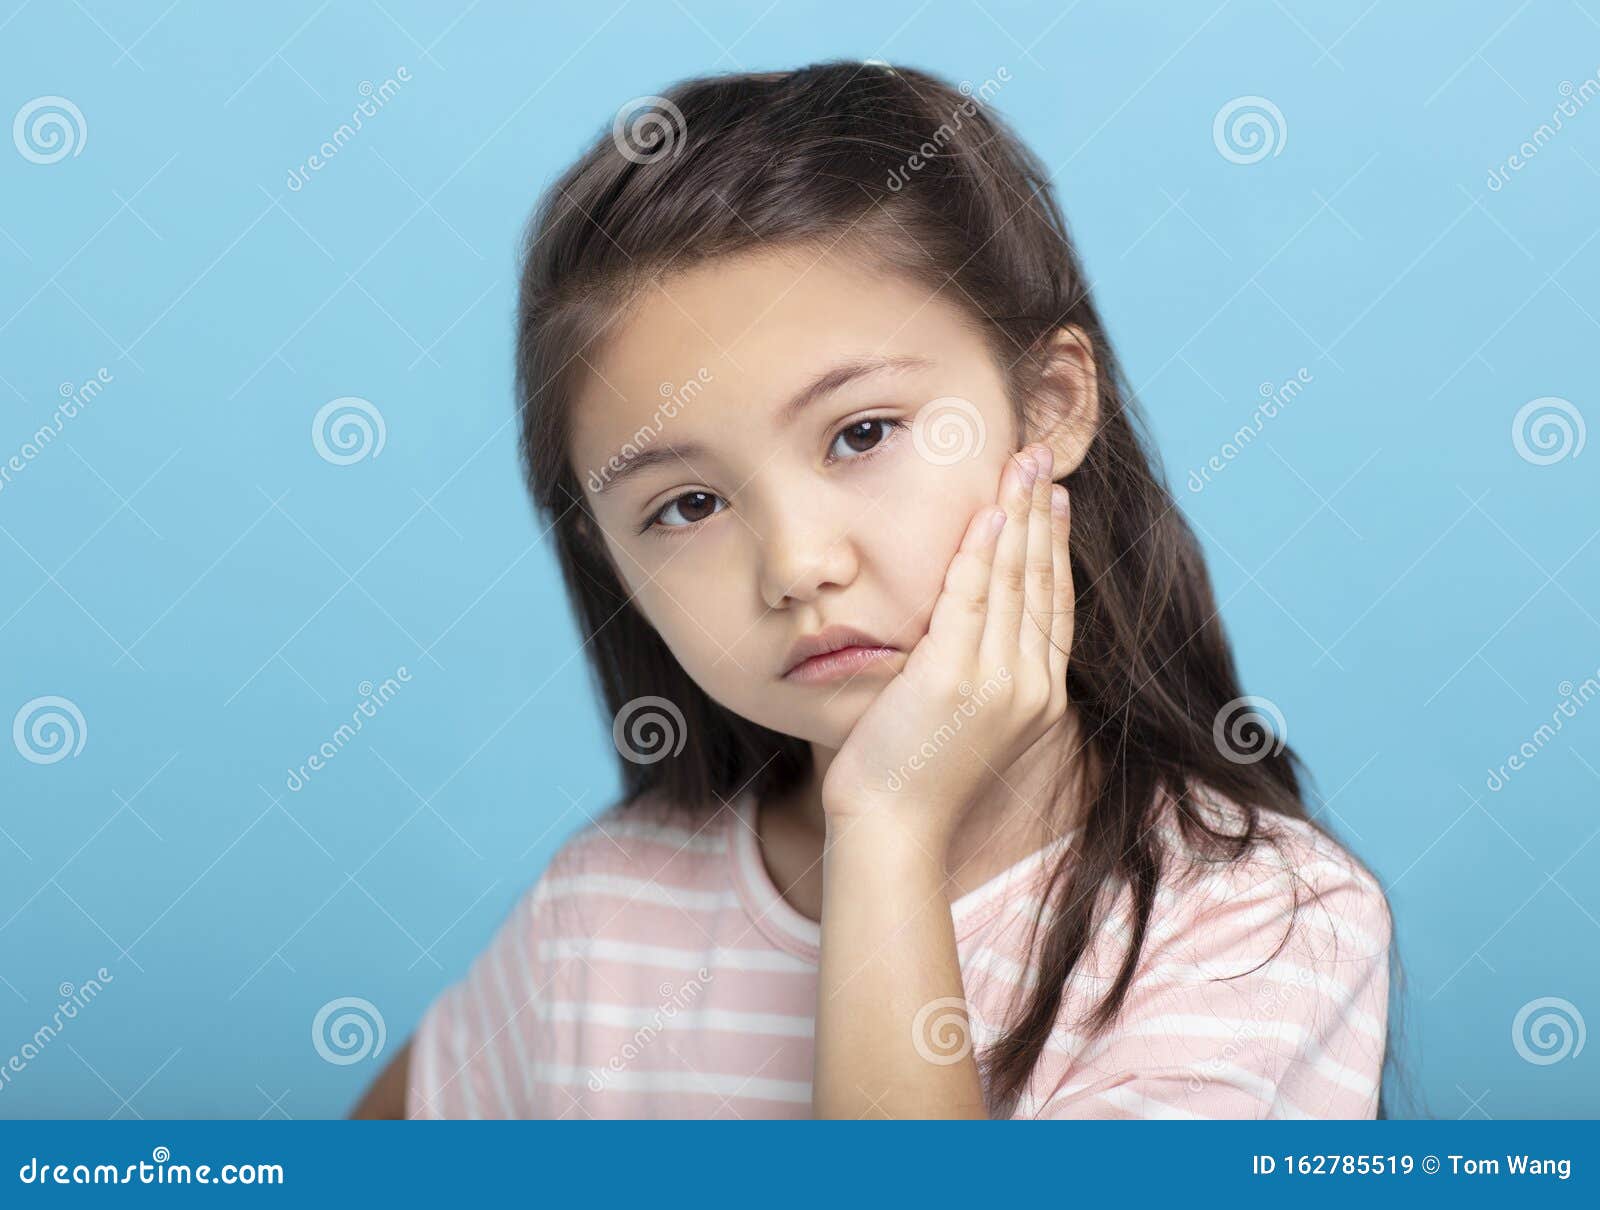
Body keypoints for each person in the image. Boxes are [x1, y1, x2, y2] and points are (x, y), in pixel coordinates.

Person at [352, 59, 1393, 1120]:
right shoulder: (602, 913)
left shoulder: (1255, 925)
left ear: (1049, 406)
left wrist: (888, 830)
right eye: (688, 505)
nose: (798, 564)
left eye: (861, 433)